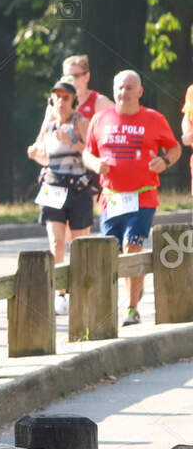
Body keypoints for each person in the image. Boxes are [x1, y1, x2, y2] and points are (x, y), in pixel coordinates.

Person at [83, 70, 180, 326]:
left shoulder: (153, 118)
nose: (123, 93)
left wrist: (165, 160)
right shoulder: (100, 119)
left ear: (140, 92)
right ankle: (128, 293)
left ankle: (131, 308)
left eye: (128, 88)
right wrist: (95, 163)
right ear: (113, 90)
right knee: (109, 253)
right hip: (111, 198)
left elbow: (175, 147)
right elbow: (87, 153)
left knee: (132, 247)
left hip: (143, 197)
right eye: (119, 88)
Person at [25, 80, 94, 315]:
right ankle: (60, 292)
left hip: (77, 189)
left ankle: (80, 288)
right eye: (57, 98)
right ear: (51, 101)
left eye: (66, 98)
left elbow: (93, 155)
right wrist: (35, 154)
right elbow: (46, 157)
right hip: (53, 188)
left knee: (79, 243)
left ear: (74, 101)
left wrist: (73, 141)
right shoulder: (49, 126)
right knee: (55, 243)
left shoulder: (82, 123)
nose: (61, 102)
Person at [61, 53, 114, 136]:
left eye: (75, 76)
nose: (70, 81)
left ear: (87, 77)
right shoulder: (57, 103)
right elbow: (41, 137)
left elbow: (120, 126)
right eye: (66, 76)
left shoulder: (100, 102)